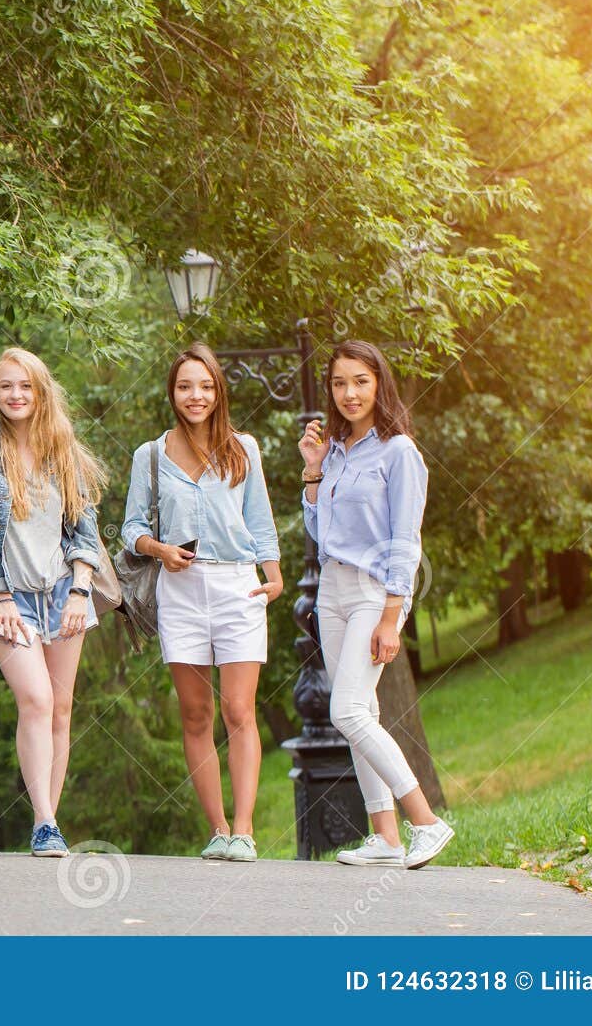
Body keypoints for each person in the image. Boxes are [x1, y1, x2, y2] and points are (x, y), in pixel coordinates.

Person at [121, 344, 281, 861]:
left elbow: (259, 519)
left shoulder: (244, 449)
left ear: (219, 391)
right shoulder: (150, 455)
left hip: (238, 586)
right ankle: (216, 829)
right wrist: (158, 549)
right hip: (180, 591)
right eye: (186, 386)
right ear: (172, 392)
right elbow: (131, 529)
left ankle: (245, 829)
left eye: (206, 386)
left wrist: (274, 576)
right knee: (195, 714)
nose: (197, 396)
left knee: (238, 709)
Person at [299, 339, 454, 869]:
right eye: (339, 383)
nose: (349, 393)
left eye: (360, 381)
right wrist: (313, 472)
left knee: (344, 710)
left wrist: (392, 615)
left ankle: (426, 822)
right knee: (363, 710)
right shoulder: (336, 454)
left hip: (373, 593)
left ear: (378, 383)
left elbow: (405, 541)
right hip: (332, 590)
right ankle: (386, 839)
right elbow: (320, 535)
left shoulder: (399, 452)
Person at [0, 347, 106, 857]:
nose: (15, 395)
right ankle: (43, 819)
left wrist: (82, 591)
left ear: (40, 391)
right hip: (10, 598)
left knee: (61, 709)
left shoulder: (62, 449)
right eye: (5, 387)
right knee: (35, 700)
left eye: (25, 386)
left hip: (66, 593)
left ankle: (50, 822)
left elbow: (84, 532)